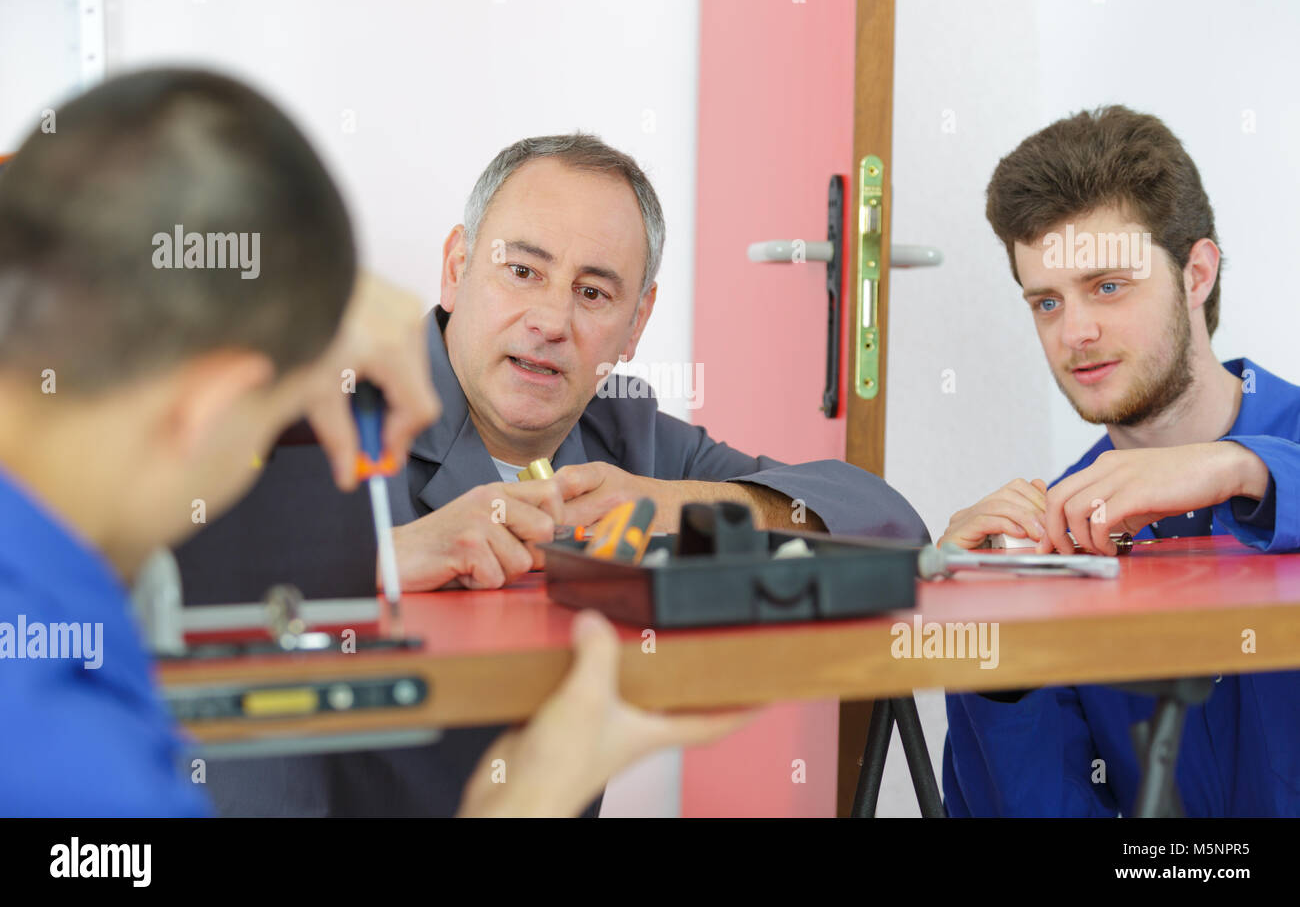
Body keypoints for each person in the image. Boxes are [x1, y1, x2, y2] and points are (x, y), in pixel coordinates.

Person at [0, 68, 747, 817]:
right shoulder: (83, 766)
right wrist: (533, 797)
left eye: (591, 291)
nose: (550, 320)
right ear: (208, 410)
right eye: (280, 421)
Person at [210, 133, 930, 815]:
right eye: (523, 272)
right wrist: (379, 558)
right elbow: (161, 586)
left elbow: (887, 519)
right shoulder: (332, 405)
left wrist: (674, 503)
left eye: (593, 294)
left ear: (637, 322)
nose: (551, 320)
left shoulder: (630, 440)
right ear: (457, 269)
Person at [940, 106, 1300, 816]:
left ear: (1196, 273)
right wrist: (987, 652)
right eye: (1046, 301)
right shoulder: (1055, 539)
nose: (1075, 332)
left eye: (1108, 286)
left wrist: (1239, 468)